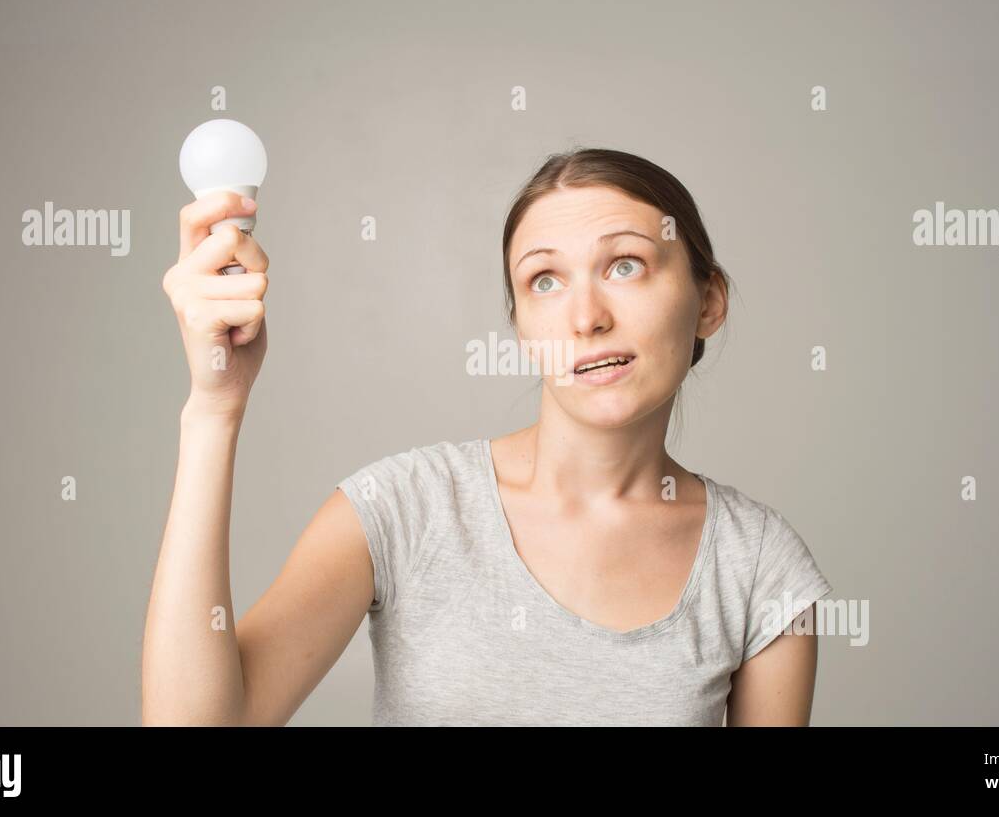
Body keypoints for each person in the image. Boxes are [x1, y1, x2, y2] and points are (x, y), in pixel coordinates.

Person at [142, 147, 832, 726]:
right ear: (521, 325)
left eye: (625, 264)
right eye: (545, 280)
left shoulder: (760, 569)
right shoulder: (401, 508)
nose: (586, 316)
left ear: (707, 301)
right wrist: (214, 407)